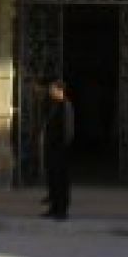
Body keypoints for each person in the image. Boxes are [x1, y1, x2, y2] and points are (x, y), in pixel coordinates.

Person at [41, 80, 74, 221]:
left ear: (60, 90)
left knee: (61, 181)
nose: (50, 91)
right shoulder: (54, 105)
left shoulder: (66, 106)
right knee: (52, 180)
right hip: (51, 150)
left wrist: (63, 149)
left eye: (52, 89)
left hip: (60, 151)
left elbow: (68, 131)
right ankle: (54, 208)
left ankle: (62, 210)